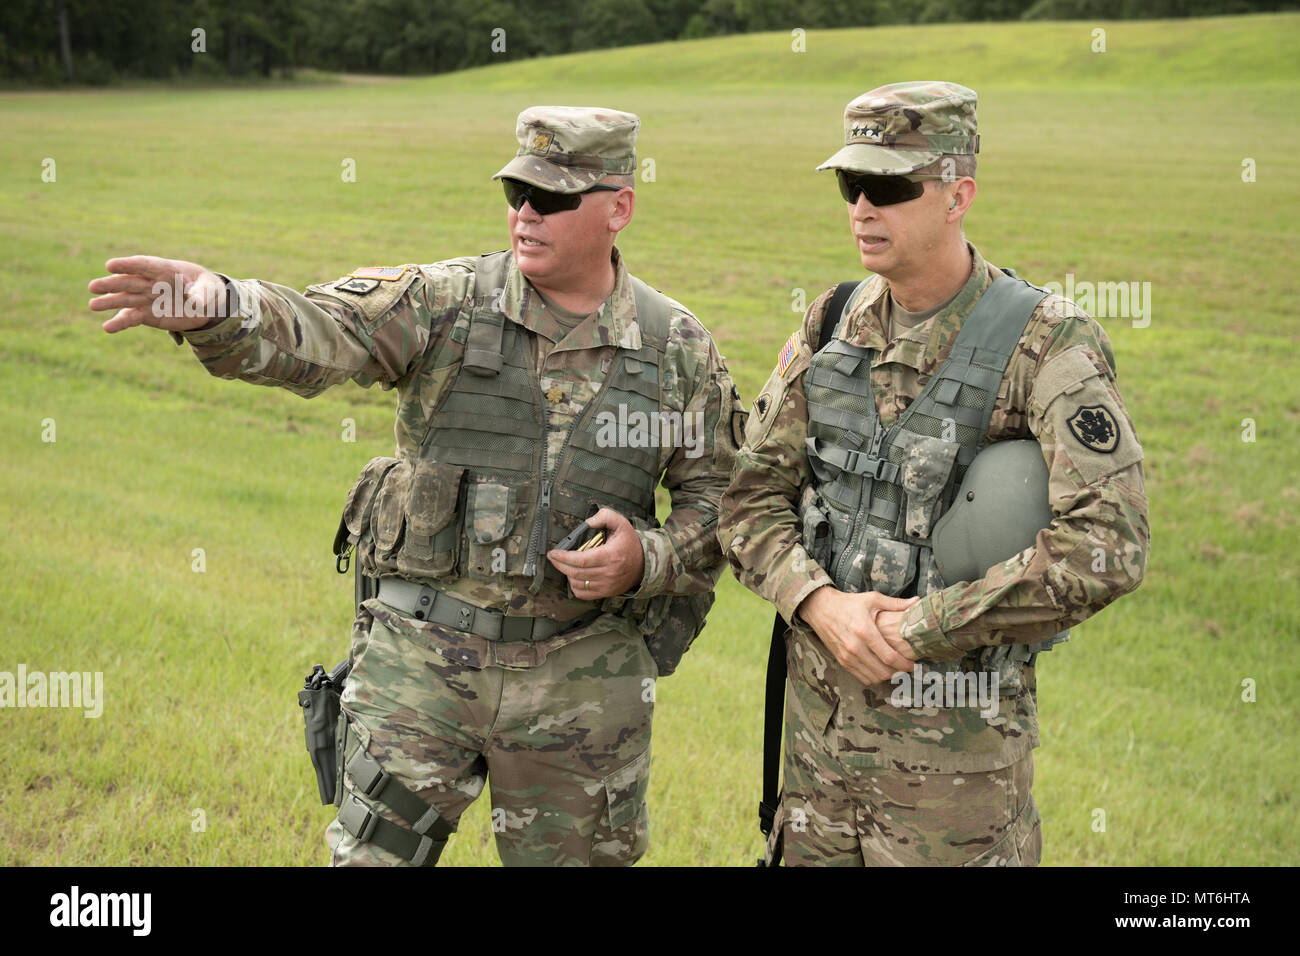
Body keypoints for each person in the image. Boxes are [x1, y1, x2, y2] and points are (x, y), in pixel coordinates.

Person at [89, 105, 744, 867]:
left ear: (619, 207)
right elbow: (325, 330)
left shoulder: (676, 349)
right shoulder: (445, 304)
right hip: (421, 663)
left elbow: (723, 505)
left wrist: (647, 559)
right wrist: (222, 305)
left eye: (554, 199)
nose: (526, 214)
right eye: (516, 193)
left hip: (581, 682)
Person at [718, 82, 1150, 866]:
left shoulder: (1046, 345)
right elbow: (747, 500)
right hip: (815, 766)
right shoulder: (831, 321)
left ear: (959, 195)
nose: (861, 208)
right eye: (852, 185)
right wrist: (818, 604)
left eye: (888, 187)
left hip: (955, 788)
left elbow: (1107, 548)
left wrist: (917, 629)